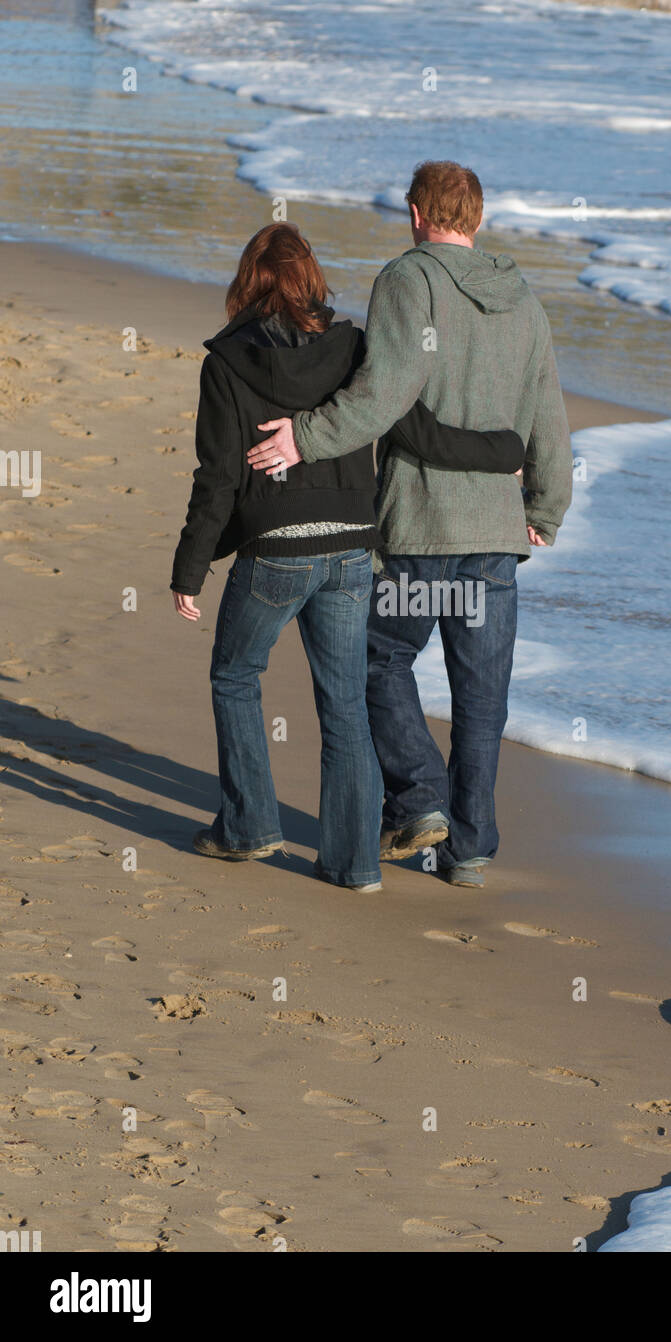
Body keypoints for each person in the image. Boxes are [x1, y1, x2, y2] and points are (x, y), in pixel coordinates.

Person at [246, 163, 573, 889]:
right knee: (481, 700)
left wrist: (303, 437)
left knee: (374, 661)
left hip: (422, 527)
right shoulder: (523, 300)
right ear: (477, 218)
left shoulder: (407, 279)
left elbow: (384, 393)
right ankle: (471, 851)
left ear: (419, 214)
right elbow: (546, 406)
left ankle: (422, 799)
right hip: (494, 536)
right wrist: (546, 505)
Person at [170, 222, 522, 891]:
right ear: (310, 280)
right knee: (344, 705)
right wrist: (505, 452)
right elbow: (417, 430)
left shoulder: (225, 361)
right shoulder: (353, 347)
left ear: (247, 280)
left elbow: (218, 478)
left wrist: (192, 567)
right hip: (352, 551)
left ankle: (247, 827)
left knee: (235, 676)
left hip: (276, 552)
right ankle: (354, 865)